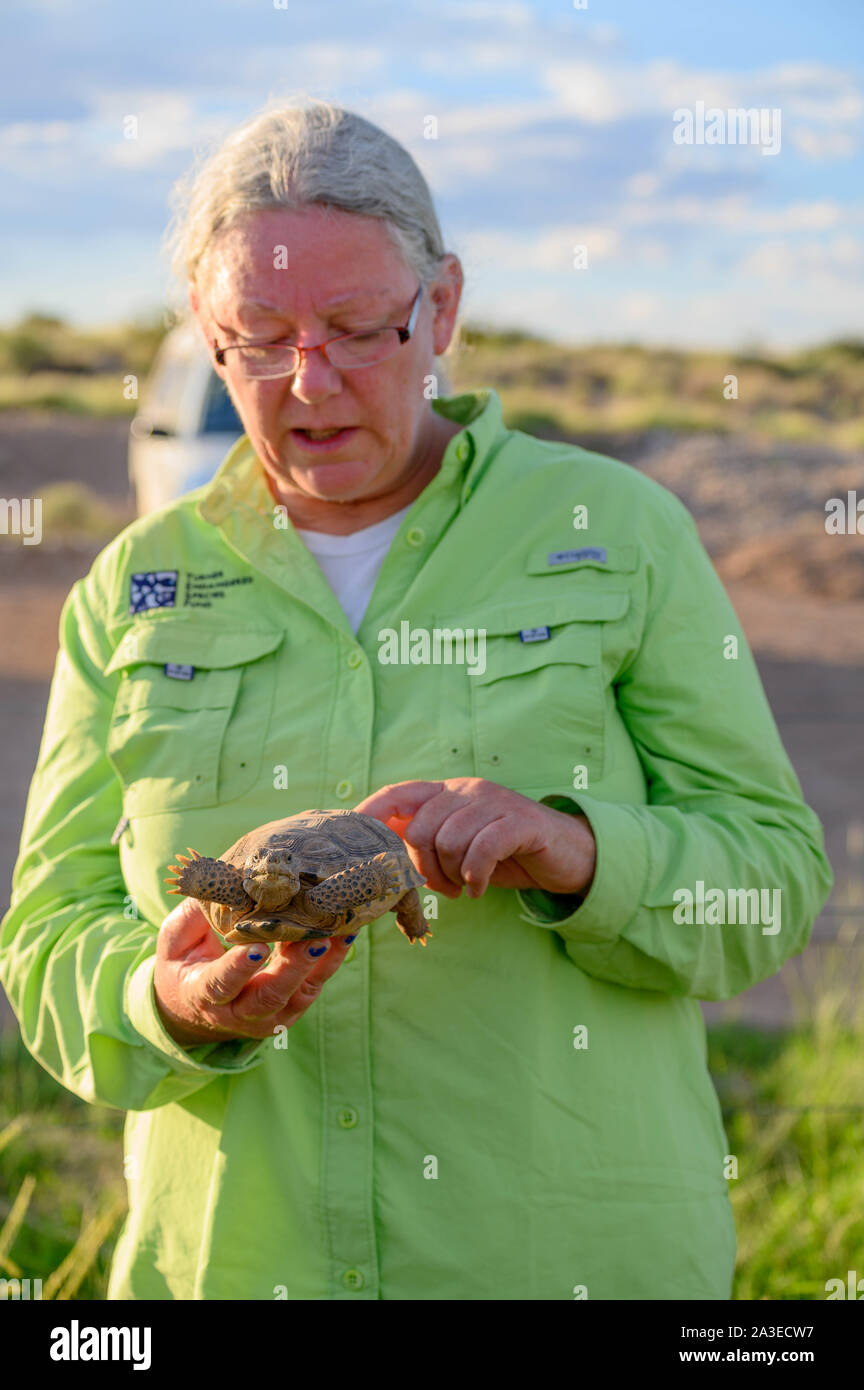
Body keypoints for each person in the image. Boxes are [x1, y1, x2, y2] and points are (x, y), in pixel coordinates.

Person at [0, 100, 833, 1301]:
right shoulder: (134, 587)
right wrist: (168, 999)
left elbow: (769, 877)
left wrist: (579, 850)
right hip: (233, 1266)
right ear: (204, 331)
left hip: (563, 1267)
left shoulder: (615, 531)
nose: (309, 379)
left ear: (440, 308)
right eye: (258, 336)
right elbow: (45, 940)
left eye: (355, 328)